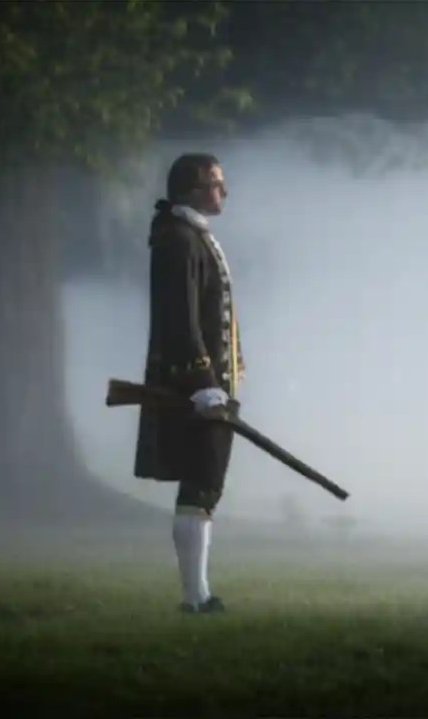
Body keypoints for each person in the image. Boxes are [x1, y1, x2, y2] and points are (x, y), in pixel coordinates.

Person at [133, 153, 244, 613]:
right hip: (196, 385)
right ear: (190, 190)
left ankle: (198, 594)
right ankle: (195, 597)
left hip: (211, 383)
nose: (223, 191)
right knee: (200, 483)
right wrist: (202, 380)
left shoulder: (190, 235)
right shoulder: (179, 240)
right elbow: (181, 317)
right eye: (215, 183)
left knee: (205, 485)